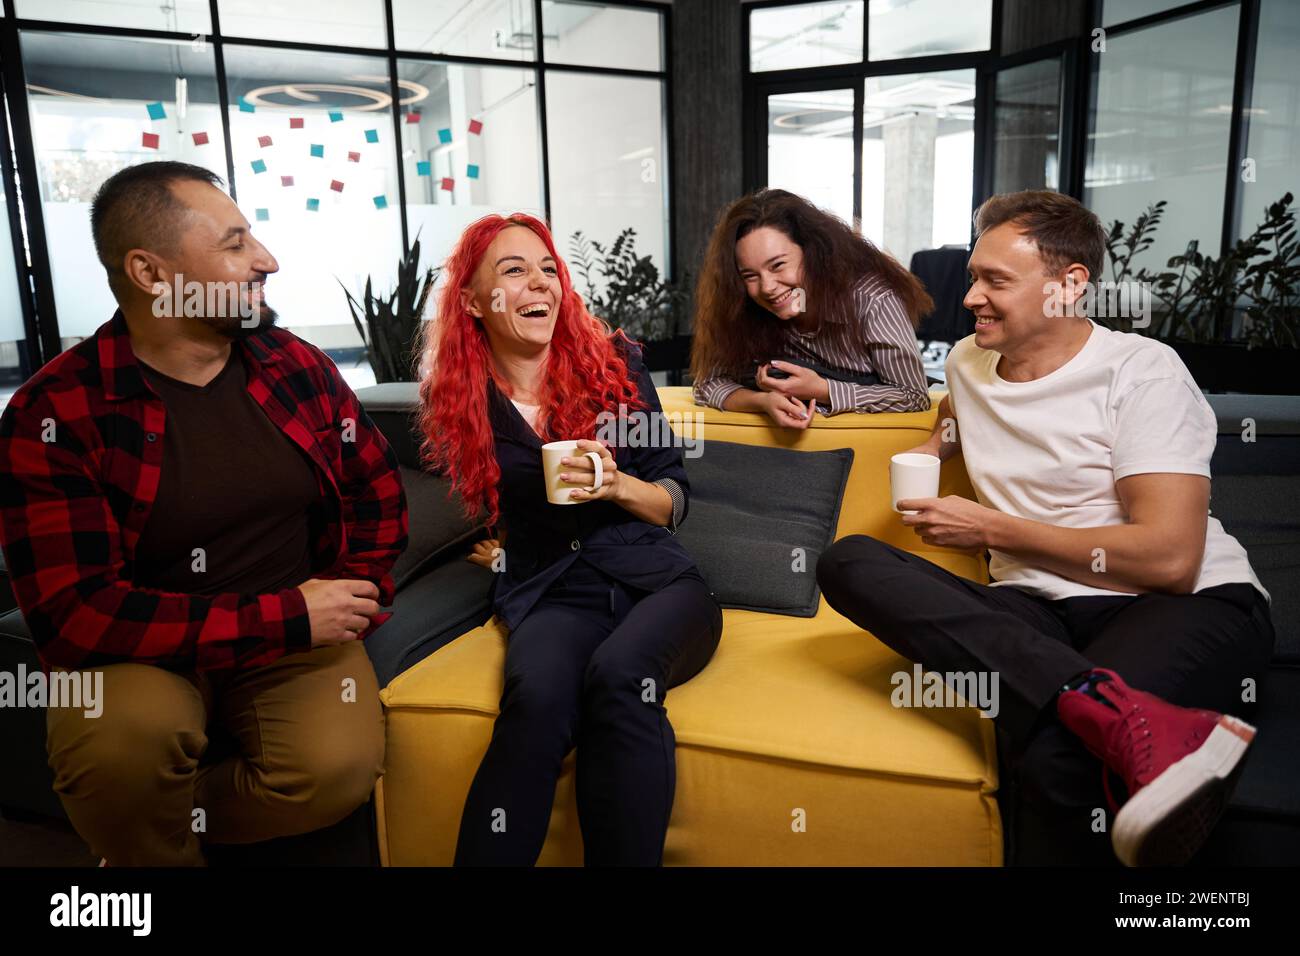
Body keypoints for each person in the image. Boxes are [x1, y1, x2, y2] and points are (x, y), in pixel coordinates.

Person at [815, 190, 1273, 867]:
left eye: (995, 280)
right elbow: (957, 410)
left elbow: (1170, 559)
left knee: (1060, 761)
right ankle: (1112, 710)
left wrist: (996, 528)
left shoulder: (1141, 371)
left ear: (1068, 286)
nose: (970, 297)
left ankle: (1106, 722)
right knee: (848, 562)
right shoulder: (970, 362)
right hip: (1038, 609)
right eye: (974, 276)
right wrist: (935, 449)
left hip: (1180, 603)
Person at [0, 161, 407, 866]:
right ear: (151, 274)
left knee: (333, 771)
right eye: (234, 243)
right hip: (142, 650)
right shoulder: (53, 413)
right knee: (121, 755)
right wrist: (284, 614)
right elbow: (76, 615)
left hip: (295, 637)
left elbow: (375, 486)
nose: (266, 260)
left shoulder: (294, 364)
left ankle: (151, 832)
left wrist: (353, 591)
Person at [419, 212, 722, 867]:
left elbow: (673, 497)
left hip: (660, 584)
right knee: (535, 701)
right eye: (514, 269)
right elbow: (495, 509)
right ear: (473, 301)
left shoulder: (615, 366)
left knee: (620, 678)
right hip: (555, 593)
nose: (541, 283)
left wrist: (616, 486)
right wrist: (504, 552)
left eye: (549, 268)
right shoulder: (463, 400)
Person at [691, 188, 932, 429]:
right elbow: (707, 385)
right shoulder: (745, 306)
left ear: (814, 253)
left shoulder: (872, 300)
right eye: (750, 275)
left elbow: (914, 396)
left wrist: (823, 390)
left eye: (777, 265)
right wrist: (762, 401)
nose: (767, 287)